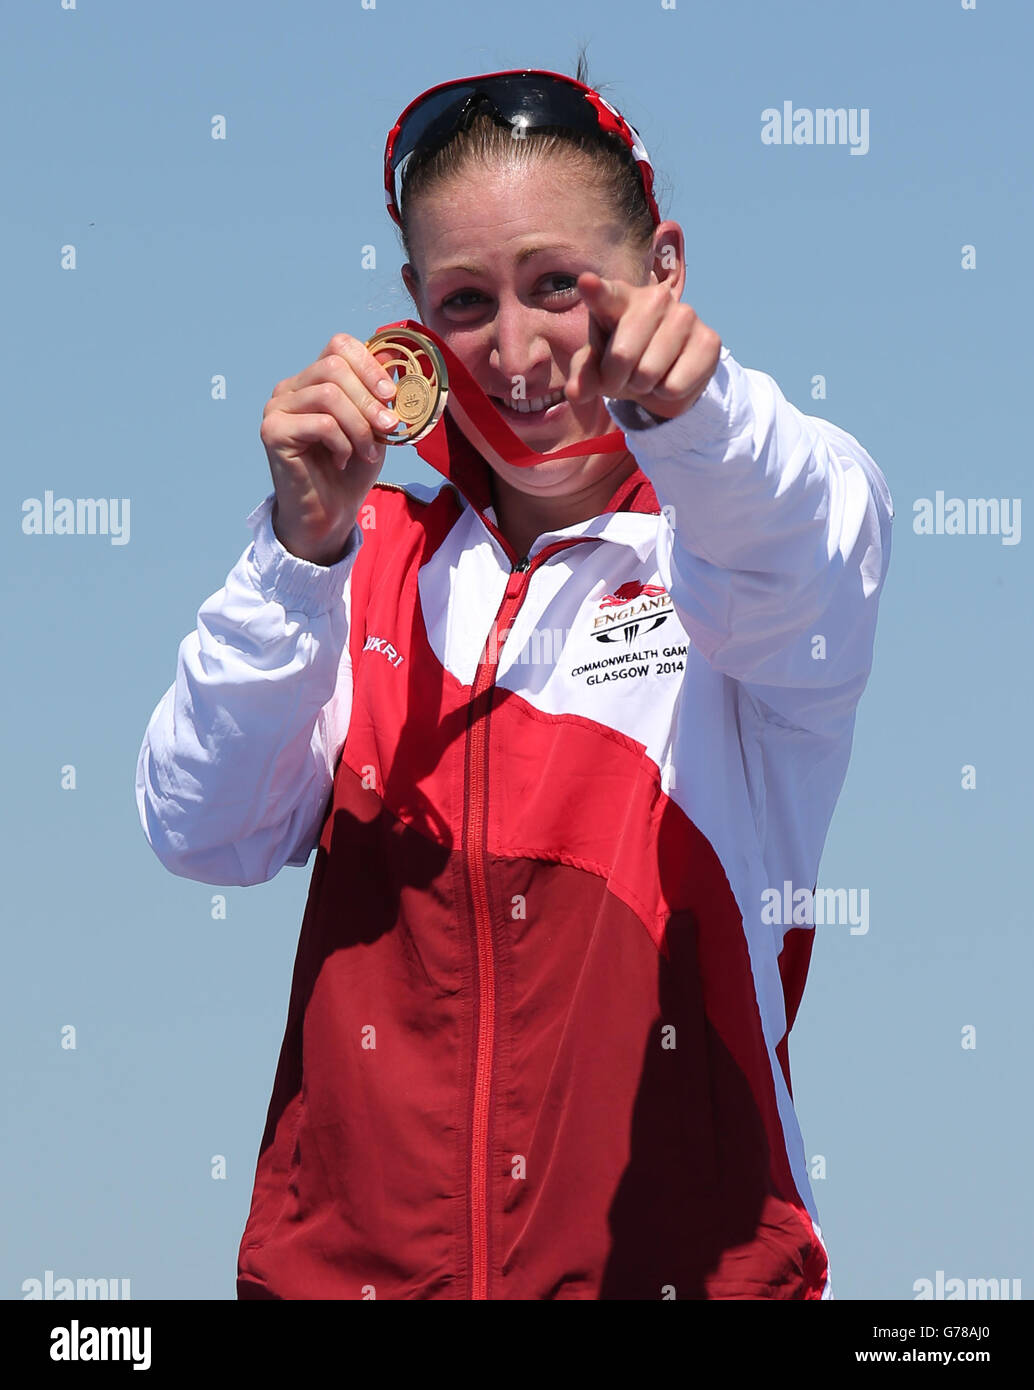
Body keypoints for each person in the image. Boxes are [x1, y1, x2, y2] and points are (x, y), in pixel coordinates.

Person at [135, 62, 894, 1300]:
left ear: (663, 269)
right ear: (412, 324)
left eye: (558, 286)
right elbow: (197, 827)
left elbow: (787, 537)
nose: (518, 348)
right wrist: (296, 551)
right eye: (466, 301)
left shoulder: (748, 531)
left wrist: (693, 415)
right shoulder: (356, 556)